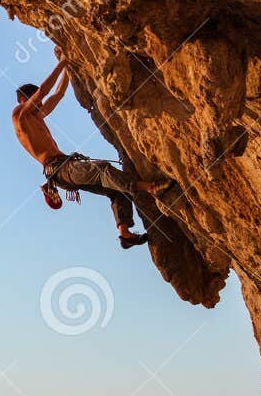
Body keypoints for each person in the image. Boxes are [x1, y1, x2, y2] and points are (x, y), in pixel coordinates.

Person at [12, 53, 171, 250]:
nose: (41, 105)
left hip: (64, 167)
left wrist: (67, 69)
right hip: (59, 169)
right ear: (23, 100)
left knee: (115, 189)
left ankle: (125, 233)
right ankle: (149, 188)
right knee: (102, 169)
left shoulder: (37, 116)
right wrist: (62, 62)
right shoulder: (20, 116)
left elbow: (58, 94)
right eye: (36, 101)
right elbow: (44, 91)